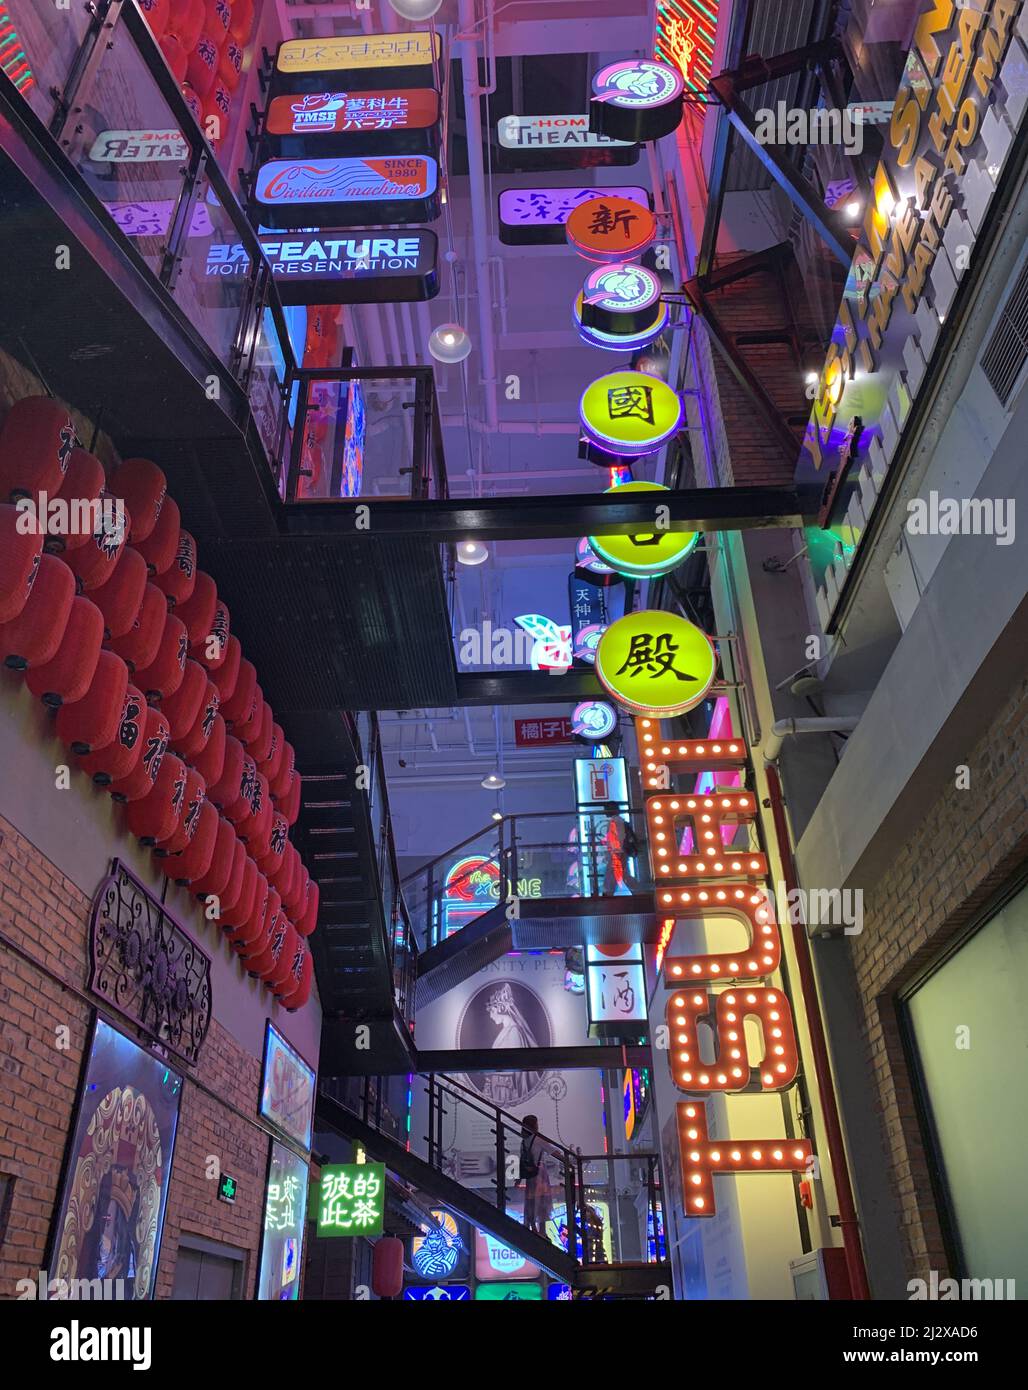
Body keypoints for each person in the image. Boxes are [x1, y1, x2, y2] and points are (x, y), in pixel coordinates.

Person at [519, 1114, 553, 1236]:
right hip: (540, 1174)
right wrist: (566, 1160)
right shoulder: (538, 1139)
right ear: (534, 1126)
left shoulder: (524, 1141)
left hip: (530, 1175)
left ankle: (533, 1228)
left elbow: (522, 1160)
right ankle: (542, 1231)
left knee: (531, 1201)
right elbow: (552, 1151)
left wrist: (519, 1179)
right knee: (542, 1202)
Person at [601, 802, 641, 895]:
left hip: (618, 852)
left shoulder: (615, 822)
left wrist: (614, 851)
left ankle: (608, 894)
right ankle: (638, 890)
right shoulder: (619, 821)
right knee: (622, 874)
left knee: (612, 873)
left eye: (605, 809)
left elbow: (618, 838)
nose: (604, 811)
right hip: (621, 852)